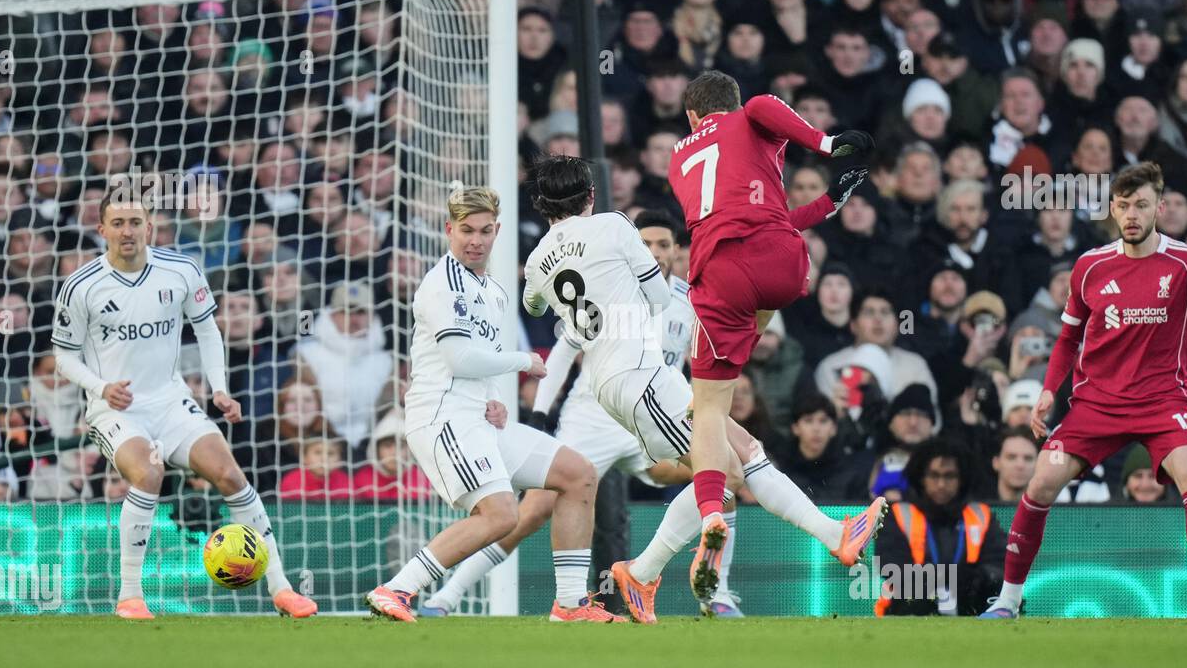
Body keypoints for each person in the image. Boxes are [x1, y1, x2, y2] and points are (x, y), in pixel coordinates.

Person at [520, 155, 887, 624]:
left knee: (746, 451)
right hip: (637, 374)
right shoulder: (612, 226)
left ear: (540, 205)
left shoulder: (535, 261)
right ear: (591, 196)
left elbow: (533, 305)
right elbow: (656, 297)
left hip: (620, 378)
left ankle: (836, 534)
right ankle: (641, 571)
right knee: (727, 475)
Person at [422, 209, 743, 618]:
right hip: (593, 420)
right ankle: (447, 596)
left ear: (678, 250)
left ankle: (715, 594)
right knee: (534, 508)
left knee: (725, 474)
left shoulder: (688, 303)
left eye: (664, 245)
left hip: (650, 423)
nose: (655, 252)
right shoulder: (608, 289)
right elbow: (562, 352)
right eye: (645, 244)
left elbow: (709, 361)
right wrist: (540, 410)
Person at [983, 162, 1187, 620]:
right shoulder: (1089, 267)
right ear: (1112, 209)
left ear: (1159, 208)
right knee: (1043, 480)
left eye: (1141, 204)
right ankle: (1008, 600)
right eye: (1123, 205)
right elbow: (1067, 337)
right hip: (1096, 405)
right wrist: (1049, 390)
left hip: (1164, 401)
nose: (1131, 214)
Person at [50, 196, 317, 619]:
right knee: (149, 473)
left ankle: (282, 589)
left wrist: (220, 390)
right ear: (102, 230)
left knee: (230, 474)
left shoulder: (181, 270)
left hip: (172, 400)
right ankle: (130, 595)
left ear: (149, 226)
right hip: (116, 409)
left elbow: (208, 331)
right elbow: (63, 357)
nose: (127, 231)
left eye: (135, 221)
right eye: (117, 222)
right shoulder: (82, 286)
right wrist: (101, 387)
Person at [365, 187, 612, 623]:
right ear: (449, 230)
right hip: (443, 416)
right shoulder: (443, 282)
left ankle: (571, 605)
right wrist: (525, 362)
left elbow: (485, 353)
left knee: (578, 474)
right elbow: (459, 357)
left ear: (497, 231)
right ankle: (396, 589)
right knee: (501, 515)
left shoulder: (495, 292)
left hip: (478, 416)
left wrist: (497, 399)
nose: (475, 240)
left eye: (484, 231)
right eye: (465, 231)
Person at [666, 69, 878, 564]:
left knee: (709, 413)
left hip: (720, 271)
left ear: (692, 116)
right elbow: (763, 111)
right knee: (729, 433)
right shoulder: (753, 117)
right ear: (733, 104)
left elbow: (732, 217)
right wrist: (828, 161)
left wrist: (827, 148)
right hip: (783, 264)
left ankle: (711, 514)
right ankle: (831, 533)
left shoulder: (679, 157)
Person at [874, 438, 1007, 617]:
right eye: (934, 475)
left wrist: (966, 582)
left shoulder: (981, 515)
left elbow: (999, 566)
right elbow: (891, 568)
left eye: (949, 476)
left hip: (970, 607)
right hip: (909, 611)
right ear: (921, 477)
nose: (941, 484)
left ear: (962, 479)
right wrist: (959, 579)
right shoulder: (898, 514)